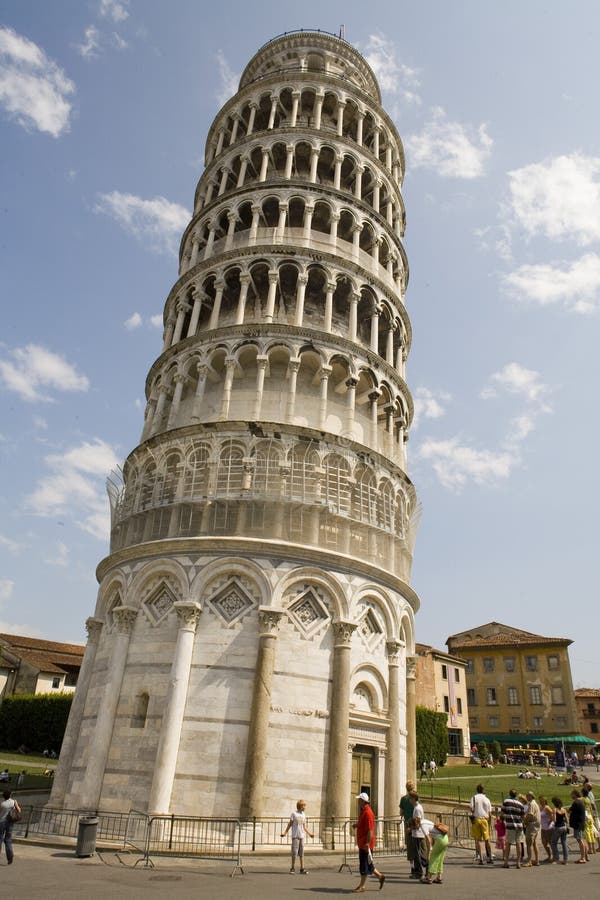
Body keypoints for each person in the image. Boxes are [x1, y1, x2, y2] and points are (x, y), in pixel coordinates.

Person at [351, 792, 385, 893]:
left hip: (365, 843)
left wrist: (367, 843)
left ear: (363, 801)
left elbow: (370, 830)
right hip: (363, 842)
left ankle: (362, 886)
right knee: (368, 863)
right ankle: (380, 876)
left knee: (364, 864)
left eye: (359, 800)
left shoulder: (368, 813)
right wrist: (357, 825)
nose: (358, 802)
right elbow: (364, 824)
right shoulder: (363, 811)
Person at [281, 798, 313, 874]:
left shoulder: (304, 815)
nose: (305, 807)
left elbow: (304, 826)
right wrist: (285, 832)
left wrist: (310, 833)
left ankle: (302, 868)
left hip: (301, 835)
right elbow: (290, 824)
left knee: (302, 853)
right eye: (304, 806)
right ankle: (292, 868)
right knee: (294, 852)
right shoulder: (294, 814)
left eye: (305, 806)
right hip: (295, 835)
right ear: (300, 806)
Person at [409, 790, 430, 883]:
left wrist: (410, 828)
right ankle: (422, 871)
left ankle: (421, 872)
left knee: (418, 854)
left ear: (413, 798)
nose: (409, 800)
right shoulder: (418, 807)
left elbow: (417, 823)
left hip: (417, 834)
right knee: (419, 853)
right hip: (418, 833)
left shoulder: (417, 808)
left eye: (410, 798)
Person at [469, 783, 493, 864]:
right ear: (483, 790)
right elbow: (490, 813)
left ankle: (481, 858)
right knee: (487, 839)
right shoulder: (487, 799)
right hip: (485, 819)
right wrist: (489, 822)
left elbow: (471, 809)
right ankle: (490, 857)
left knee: (478, 840)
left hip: (476, 819)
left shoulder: (474, 798)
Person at [501, 788, 525, 868]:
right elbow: (523, 816)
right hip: (519, 826)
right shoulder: (520, 804)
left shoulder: (506, 801)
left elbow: (502, 813)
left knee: (508, 843)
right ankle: (518, 862)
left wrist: (503, 821)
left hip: (510, 825)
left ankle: (506, 862)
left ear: (509, 794)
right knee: (518, 843)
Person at [399, 780, 417, 878]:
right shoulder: (416, 798)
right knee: (416, 845)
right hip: (416, 824)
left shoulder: (404, 799)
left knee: (410, 846)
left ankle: (412, 867)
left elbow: (401, 813)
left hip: (408, 824)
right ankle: (418, 867)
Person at [0, 790, 20, 865]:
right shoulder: (14, 802)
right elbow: (19, 810)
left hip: (1, 822)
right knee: (8, 839)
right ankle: (10, 856)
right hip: (10, 822)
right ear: (10, 795)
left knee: (0, 838)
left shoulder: (2, 804)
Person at [569, 789, 588, 863]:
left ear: (575, 794)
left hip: (578, 824)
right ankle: (585, 856)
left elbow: (570, 810)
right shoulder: (581, 801)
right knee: (582, 840)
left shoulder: (576, 802)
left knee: (580, 840)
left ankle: (583, 858)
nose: (571, 795)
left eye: (572, 794)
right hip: (581, 823)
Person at [523, 790, 541, 865]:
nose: (526, 797)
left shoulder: (532, 804)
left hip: (531, 826)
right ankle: (537, 860)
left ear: (531, 796)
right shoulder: (534, 803)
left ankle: (529, 861)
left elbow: (530, 815)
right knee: (534, 844)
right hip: (536, 826)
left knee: (529, 844)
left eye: (527, 796)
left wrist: (525, 822)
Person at [550, 796, 568, 864]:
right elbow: (566, 819)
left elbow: (554, 820)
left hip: (558, 827)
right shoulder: (564, 810)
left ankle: (556, 858)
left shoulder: (555, 810)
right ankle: (565, 859)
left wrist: (551, 817)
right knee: (564, 843)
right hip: (564, 827)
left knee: (553, 843)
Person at [539, 796, 554, 862]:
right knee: (544, 842)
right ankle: (549, 855)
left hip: (549, 827)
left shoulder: (547, 807)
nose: (540, 801)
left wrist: (549, 822)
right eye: (539, 800)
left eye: (541, 800)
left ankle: (554, 856)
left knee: (550, 842)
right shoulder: (540, 807)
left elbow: (552, 815)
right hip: (543, 827)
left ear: (545, 801)